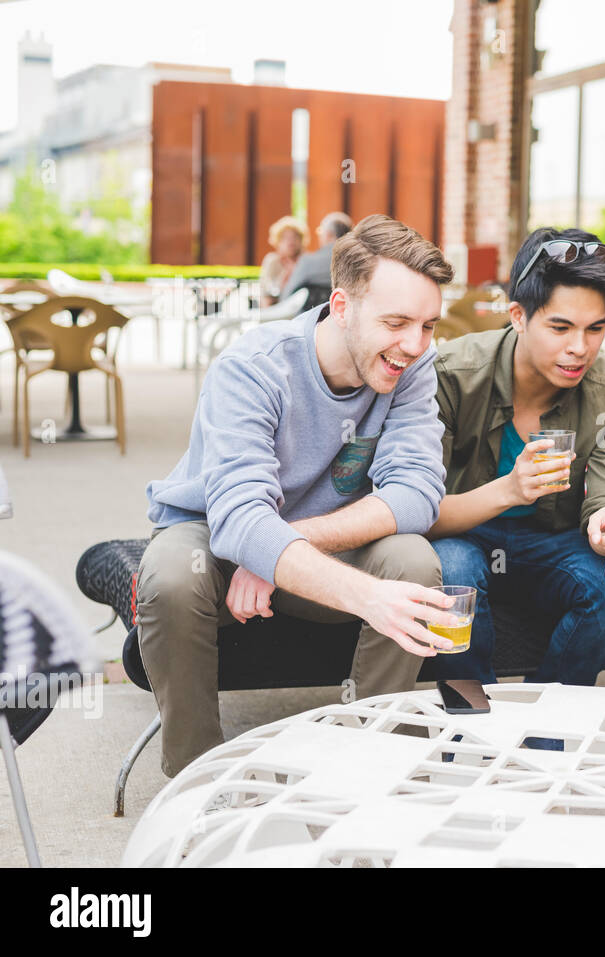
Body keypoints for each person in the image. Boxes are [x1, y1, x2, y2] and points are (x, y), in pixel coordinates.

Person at [138, 214, 459, 777]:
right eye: (397, 322)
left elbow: (416, 493)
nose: (413, 344)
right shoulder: (253, 368)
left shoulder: (413, 365)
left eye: (429, 325)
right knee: (170, 575)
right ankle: (197, 777)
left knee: (412, 561)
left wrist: (282, 544)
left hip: (319, 539)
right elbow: (238, 519)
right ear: (341, 307)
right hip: (210, 534)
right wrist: (364, 596)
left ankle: (374, 761)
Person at [425, 227, 605, 685]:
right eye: (560, 327)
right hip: (464, 533)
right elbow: (420, 510)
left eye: (596, 328)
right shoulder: (453, 374)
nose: (579, 348)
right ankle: (469, 721)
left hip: (553, 540)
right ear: (518, 317)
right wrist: (509, 489)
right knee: (452, 569)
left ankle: (546, 725)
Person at [283, 211, 354, 308]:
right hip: (345, 315)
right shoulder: (355, 262)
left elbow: (286, 297)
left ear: (328, 235)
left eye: (320, 231)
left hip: (311, 319)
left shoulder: (308, 261)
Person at [259, 216, 306, 306]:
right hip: (275, 308)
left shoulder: (306, 261)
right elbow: (267, 292)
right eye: (285, 238)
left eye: (295, 237)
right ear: (277, 241)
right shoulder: (272, 261)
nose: (291, 241)